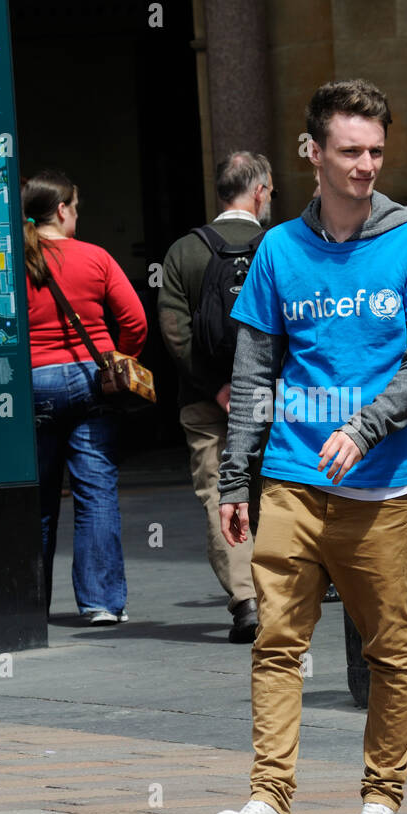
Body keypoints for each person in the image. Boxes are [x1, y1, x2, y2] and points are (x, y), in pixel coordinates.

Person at [210, 79, 407, 814]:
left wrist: (366, 424)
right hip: (291, 477)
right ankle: (268, 801)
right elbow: (254, 371)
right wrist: (234, 473)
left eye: (376, 151)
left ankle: (382, 802)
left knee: (389, 648)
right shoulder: (280, 249)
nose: (365, 166)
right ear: (312, 153)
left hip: (382, 487)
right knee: (276, 643)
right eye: (350, 151)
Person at [22, 170, 146, 625]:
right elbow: (135, 321)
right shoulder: (95, 257)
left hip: (33, 384)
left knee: (38, 496)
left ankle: (30, 602)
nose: (77, 214)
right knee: (95, 491)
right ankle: (101, 603)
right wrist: (120, 360)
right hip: (89, 380)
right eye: (75, 207)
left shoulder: (16, 259)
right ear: (62, 210)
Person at [159, 151, 273, 643]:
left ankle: (245, 601)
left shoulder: (184, 251)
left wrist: (218, 387)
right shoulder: (279, 245)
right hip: (274, 396)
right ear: (261, 191)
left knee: (217, 493)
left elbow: (174, 331)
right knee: (274, 488)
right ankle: (279, 594)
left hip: (204, 400)